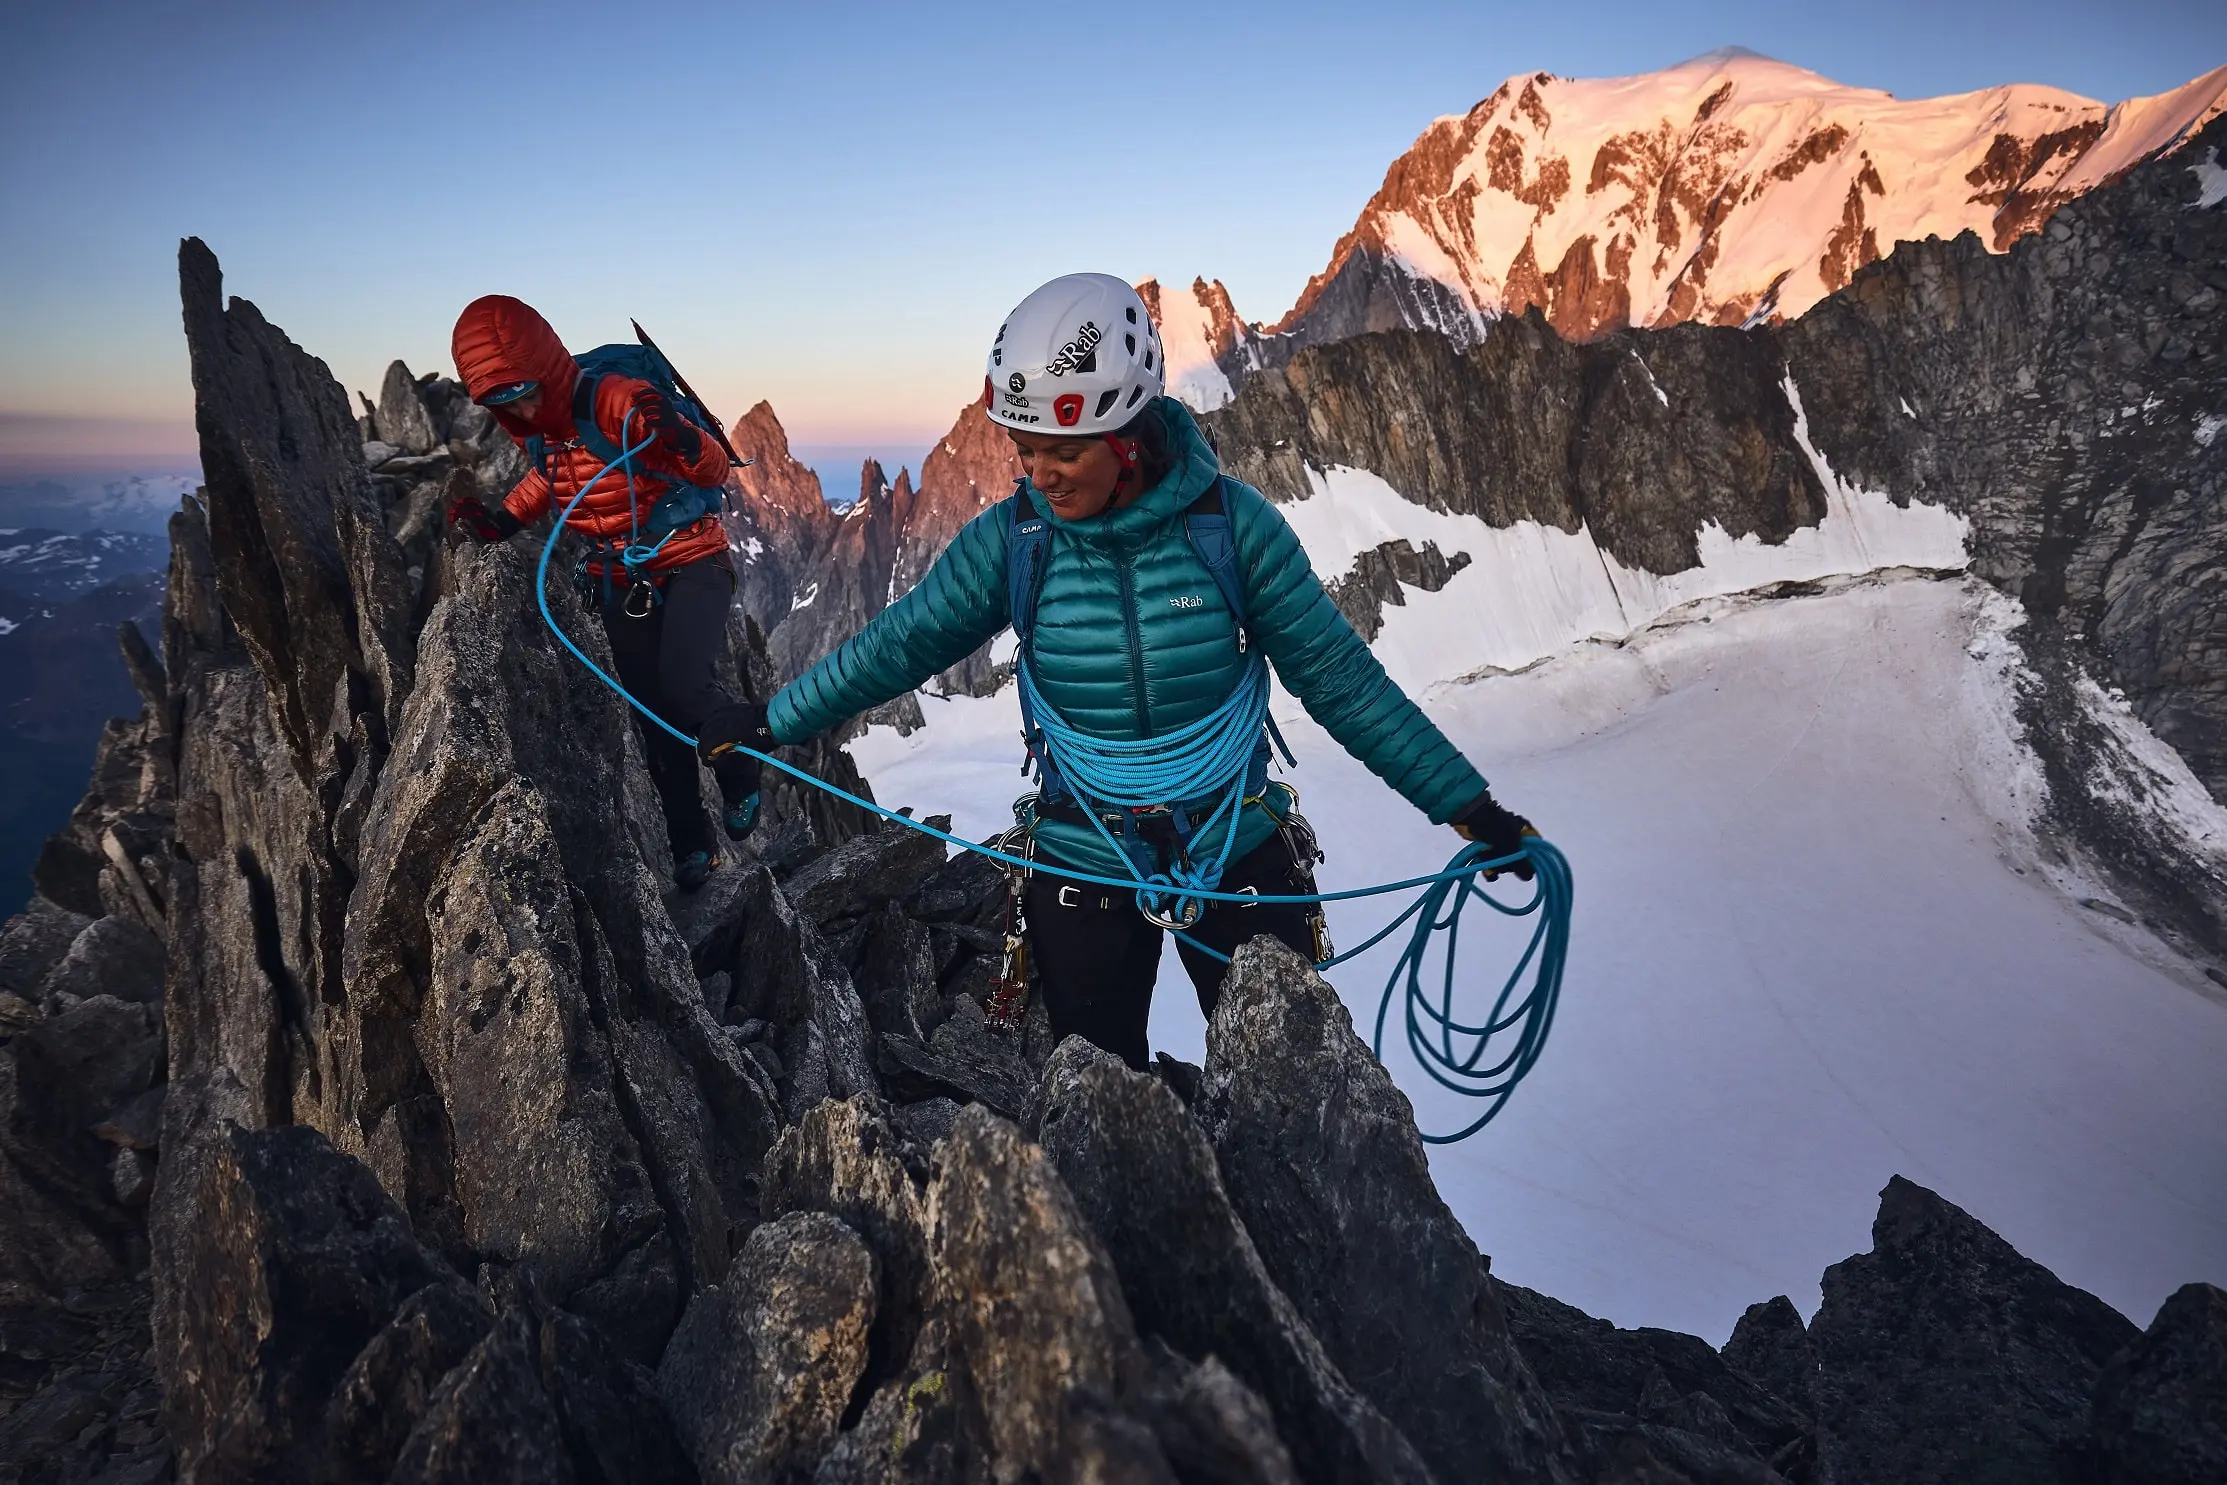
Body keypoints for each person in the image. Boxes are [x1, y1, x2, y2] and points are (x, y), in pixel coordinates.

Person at [698, 273, 1537, 1066]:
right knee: (1097, 1079)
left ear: (1128, 439)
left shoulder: (1233, 531)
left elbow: (1341, 680)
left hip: (1232, 837)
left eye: (1062, 451)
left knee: (1290, 1080)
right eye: (1024, 451)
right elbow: (897, 646)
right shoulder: (1015, 542)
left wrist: (1467, 807)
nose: (1038, 474)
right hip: (1083, 845)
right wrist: (771, 724)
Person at [448, 294, 761, 891]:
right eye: (505, 403)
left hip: (694, 557)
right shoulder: (540, 430)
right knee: (652, 717)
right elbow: (551, 477)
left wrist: (682, 437)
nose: (525, 409)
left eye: (526, 392)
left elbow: (713, 471)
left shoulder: (616, 399)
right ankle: (691, 847)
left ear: (545, 367)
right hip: (620, 576)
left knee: (685, 684)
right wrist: (500, 524)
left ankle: (740, 770)